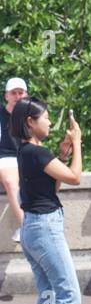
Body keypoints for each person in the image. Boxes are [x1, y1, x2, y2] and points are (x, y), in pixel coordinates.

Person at [13, 97, 82, 304]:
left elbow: (52, 187)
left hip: (34, 227)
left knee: (50, 295)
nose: (50, 122)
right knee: (69, 295)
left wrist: (63, 154)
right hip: (44, 228)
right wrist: (77, 143)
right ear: (31, 122)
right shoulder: (36, 153)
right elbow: (75, 178)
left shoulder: (27, 152)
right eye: (46, 117)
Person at [1, 78, 29, 244]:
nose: (17, 96)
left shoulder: (31, 115)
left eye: (21, 93)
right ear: (6, 96)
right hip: (4, 158)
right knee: (12, 182)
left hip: (25, 156)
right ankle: (26, 228)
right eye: (14, 93)